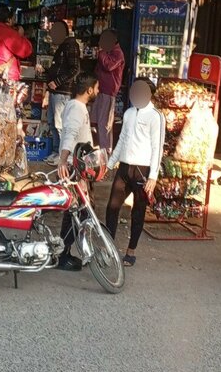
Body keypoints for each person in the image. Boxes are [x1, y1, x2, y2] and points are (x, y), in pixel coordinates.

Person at [105, 77, 165, 267]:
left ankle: (131, 251)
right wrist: (110, 163)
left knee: (138, 212)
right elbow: (122, 139)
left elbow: (158, 148)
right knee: (112, 207)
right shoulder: (129, 113)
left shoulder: (156, 116)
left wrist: (153, 177)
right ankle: (109, 246)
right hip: (124, 167)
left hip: (143, 171)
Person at [56, 73, 99, 271]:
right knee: (77, 212)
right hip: (74, 168)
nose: (98, 92)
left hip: (78, 167)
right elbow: (70, 135)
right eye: (96, 88)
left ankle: (65, 252)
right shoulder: (77, 107)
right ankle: (62, 254)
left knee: (76, 212)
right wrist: (63, 161)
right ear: (89, 90)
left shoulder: (76, 107)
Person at [45, 19, 81, 164]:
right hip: (55, 91)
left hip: (63, 92)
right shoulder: (62, 46)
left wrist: (57, 81)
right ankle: (56, 152)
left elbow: (75, 69)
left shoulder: (71, 45)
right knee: (52, 123)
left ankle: (63, 156)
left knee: (60, 125)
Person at [93, 29, 125, 152]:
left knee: (104, 123)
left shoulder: (117, 53)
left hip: (108, 90)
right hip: (101, 89)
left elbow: (108, 66)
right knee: (96, 121)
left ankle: (105, 150)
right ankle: (100, 148)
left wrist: (101, 52)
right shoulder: (109, 51)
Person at [0, 6, 33, 81]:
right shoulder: (9, 33)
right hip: (7, 76)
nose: (14, 22)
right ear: (9, 20)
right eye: (13, 19)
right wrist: (21, 36)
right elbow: (26, 51)